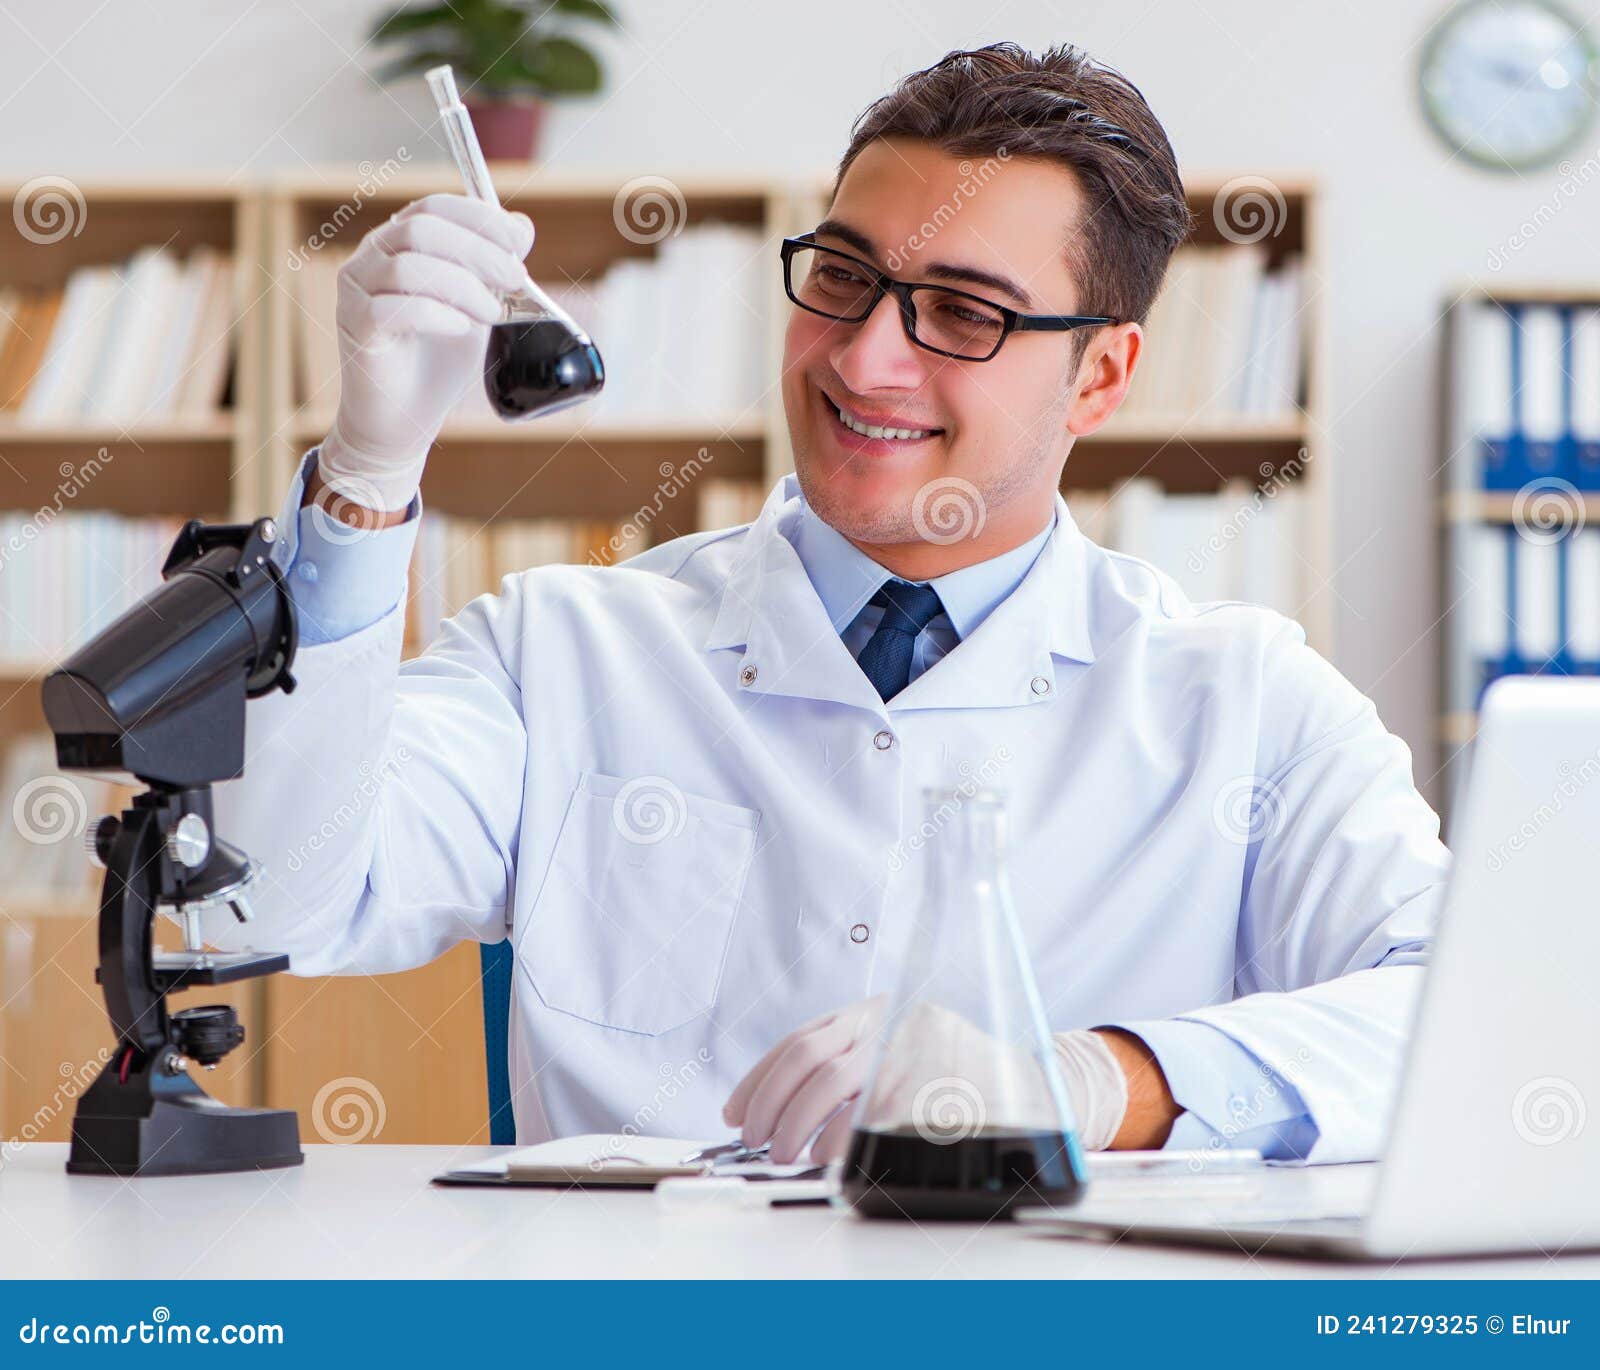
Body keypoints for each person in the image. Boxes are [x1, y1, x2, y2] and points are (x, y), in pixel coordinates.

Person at [212, 43, 1446, 1165]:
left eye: (963, 312)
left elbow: (1471, 1025)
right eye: (845, 277)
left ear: (1101, 375)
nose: (863, 359)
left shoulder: (1245, 701)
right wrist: (367, 476)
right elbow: (268, 901)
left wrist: (1084, 1081)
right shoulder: (563, 646)